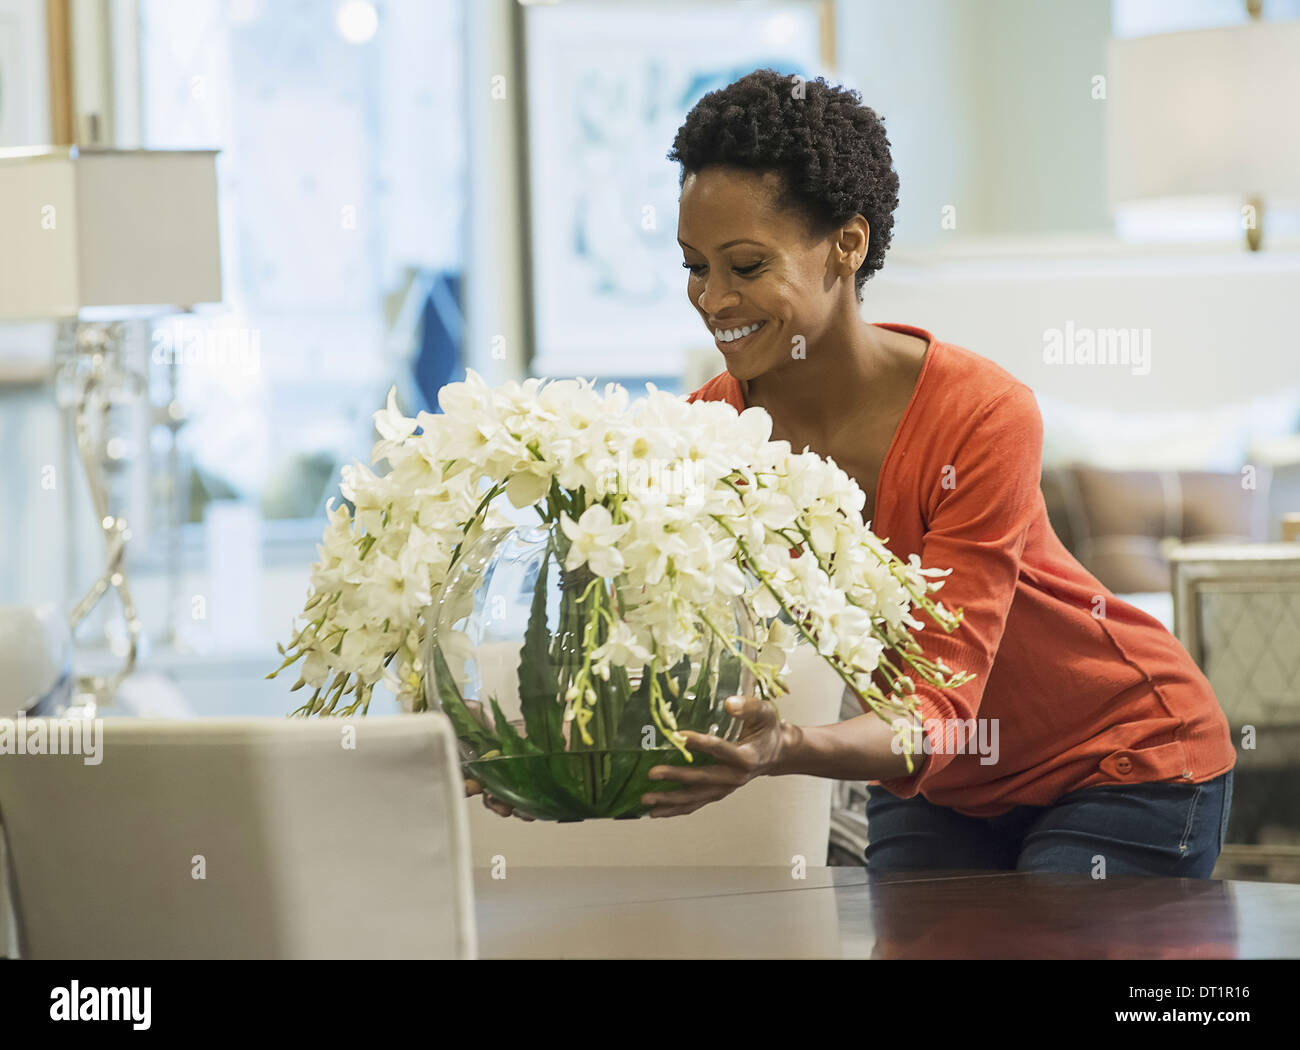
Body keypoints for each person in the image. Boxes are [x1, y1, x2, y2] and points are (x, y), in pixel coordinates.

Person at [472, 69, 1235, 878]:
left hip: (1121, 756)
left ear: (849, 244)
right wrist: (544, 767)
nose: (713, 299)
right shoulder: (705, 433)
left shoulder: (982, 414)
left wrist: (788, 747)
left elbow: (941, 707)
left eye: (746, 265)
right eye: (695, 266)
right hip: (937, 787)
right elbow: (643, 642)